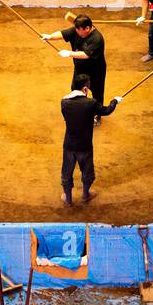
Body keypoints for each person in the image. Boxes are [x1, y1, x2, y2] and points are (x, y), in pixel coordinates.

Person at [60, 73, 121, 207]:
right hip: (85, 145)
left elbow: (66, 116)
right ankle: (85, 195)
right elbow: (106, 111)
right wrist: (114, 101)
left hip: (69, 144)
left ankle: (68, 200)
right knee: (87, 171)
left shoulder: (64, 102)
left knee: (66, 173)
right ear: (85, 89)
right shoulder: (91, 103)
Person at [43, 15, 108, 123]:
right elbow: (62, 34)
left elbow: (86, 54)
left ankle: (97, 115)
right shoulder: (77, 29)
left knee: (97, 94)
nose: (76, 32)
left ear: (87, 28)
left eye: (79, 30)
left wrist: (69, 53)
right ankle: (78, 110)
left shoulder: (97, 39)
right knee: (76, 90)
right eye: (76, 29)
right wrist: (49, 37)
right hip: (80, 68)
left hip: (96, 71)